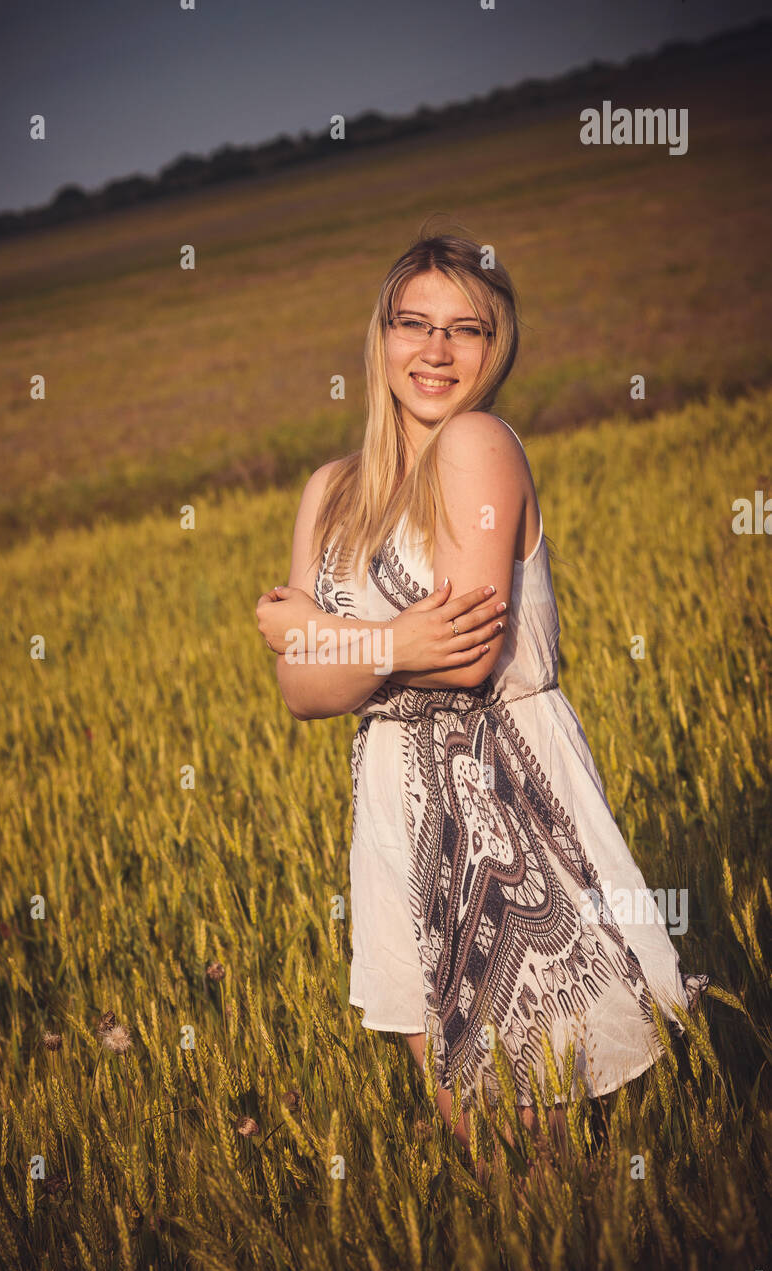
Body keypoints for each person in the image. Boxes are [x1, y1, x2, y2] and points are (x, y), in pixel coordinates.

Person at [255, 228, 708, 1182]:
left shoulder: (477, 443)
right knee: (473, 1133)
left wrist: (332, 635)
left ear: (496, 348)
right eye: (413, 325)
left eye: (466, 330)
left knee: (535, 1122)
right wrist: (382, 645)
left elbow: (459, 661)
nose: (435, 351)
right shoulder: (329, 493)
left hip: (502, 797)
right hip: (390, 799)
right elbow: (300, 693)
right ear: (378, 338)